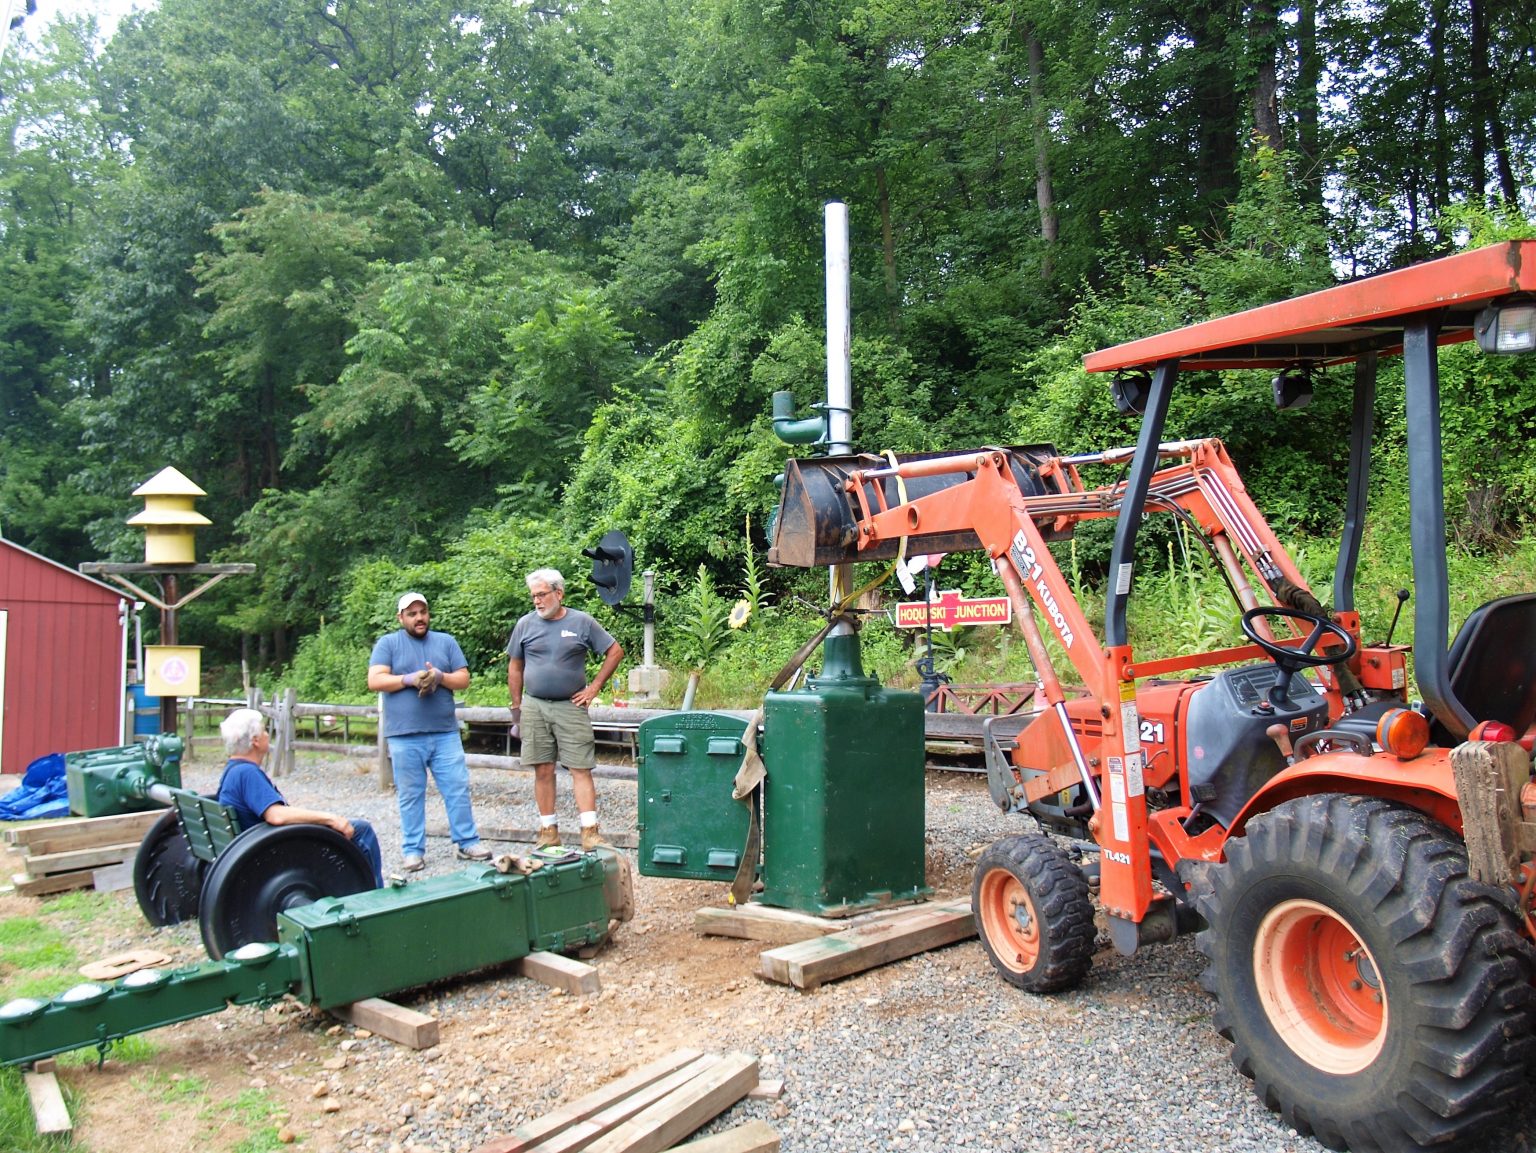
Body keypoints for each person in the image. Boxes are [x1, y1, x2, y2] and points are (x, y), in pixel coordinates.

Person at [367, 592, 492, 871]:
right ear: (401, 617)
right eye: (411, 614)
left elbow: (463, 679)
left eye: (422, 612)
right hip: (403, 734)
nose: (419, 618)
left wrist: (439, 676)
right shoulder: (388, 643)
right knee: (411, 794)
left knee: (457, 788)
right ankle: (413, 850)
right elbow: (375, 680)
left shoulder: (446, 642)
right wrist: (409, 679)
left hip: (444, 732)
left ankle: (467, 842)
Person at [506, 568, 625, 851]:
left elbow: (615, 650)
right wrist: (516, 708)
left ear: (559, 593)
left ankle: (590, 832)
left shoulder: (581, 622)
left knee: (581, 768)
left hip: (571, 705)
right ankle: (548, 831)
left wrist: (594, 688)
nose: (537, 601)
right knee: (542, 769)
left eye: (542, 595)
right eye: (533, 596)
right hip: (534, 705)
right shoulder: (525, 624)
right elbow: (515, 666)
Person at [216, 707, 384, 888]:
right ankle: (374, 897)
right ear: (255, 741)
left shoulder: (232, 770)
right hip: (271, 856)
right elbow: (276, 815)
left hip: (253, 850)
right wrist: (330, 818)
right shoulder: (247, 773)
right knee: (362, 831)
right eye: (264, 730)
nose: (267, 735)